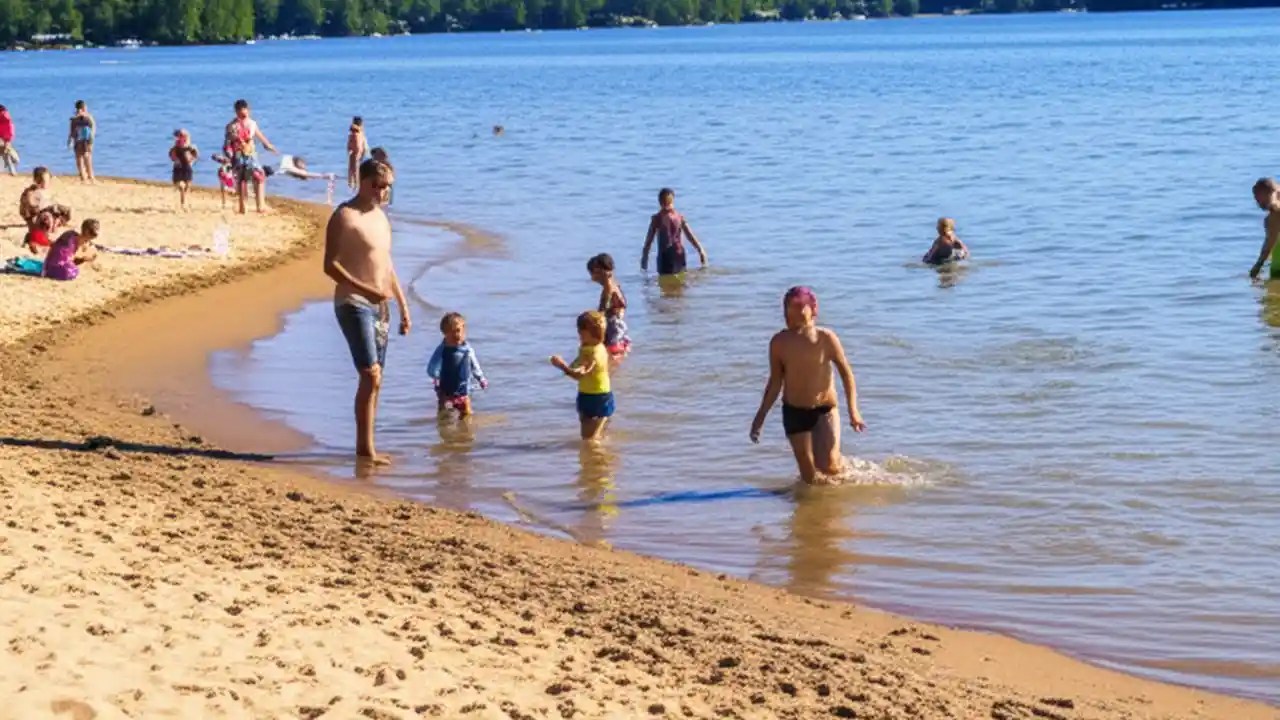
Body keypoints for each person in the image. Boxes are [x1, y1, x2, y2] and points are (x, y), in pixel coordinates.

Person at [324, 160, 410, 464]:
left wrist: (402, 305)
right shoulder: (344, 216)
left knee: (377, 380)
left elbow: (387, 266)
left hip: (380, 306)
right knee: (369, 374)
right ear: (362, 181)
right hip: (352, 303)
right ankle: (365, 450)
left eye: (386, 187)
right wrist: (365, 290)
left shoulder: (381, 219)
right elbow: (330, 266)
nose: (381, 192)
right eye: (376, 185)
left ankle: (367, 446)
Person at [750, 287, 867, 485]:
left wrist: (854, 412)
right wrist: (760, 417)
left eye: (798, 306)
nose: (792, 312)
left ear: (813, 309)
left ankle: (843, 481)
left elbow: (846, 374)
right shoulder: (779, 342)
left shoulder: (826, 338)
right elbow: (775, 381)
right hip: (794, 411)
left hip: (825, 409)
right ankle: (814, 512)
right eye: (788, 307)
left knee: (830, 466)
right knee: (809, 476)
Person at [550, 311, 615, 442]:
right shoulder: (589, 347)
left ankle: (596, 454)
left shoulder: (594, 354)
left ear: (589, 332)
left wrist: (562, 366)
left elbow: (581, 374)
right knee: (587, 432)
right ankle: (600, 448)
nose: (578, 334)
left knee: (589, 438)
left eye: (580, 331)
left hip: (598, 396)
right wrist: (570, 367)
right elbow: (578, 364)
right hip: (586, 393)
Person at [428, 312, 488, 417]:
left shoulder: (467, 350)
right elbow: (433, 365)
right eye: (451, 332)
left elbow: (474, 365)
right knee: (444, 414)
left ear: (464, 330)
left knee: (467, 414)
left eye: (458, 331)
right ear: (445, 334)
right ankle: (444, 430)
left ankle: (465, 431)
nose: (457, 335)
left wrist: (481, 378)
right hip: (445, 391)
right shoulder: (442, 350)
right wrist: (436, 377)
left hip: (463, 390)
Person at [224, 99, 278, 214]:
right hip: (239, 155)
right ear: (236, 112)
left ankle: (260, 206)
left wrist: (268, 145)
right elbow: (228, 142)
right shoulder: (232, 126)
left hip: (251, 155)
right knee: (243, 180)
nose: (243, 115)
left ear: (248, 111)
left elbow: (259, 135)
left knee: (259, 176)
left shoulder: (252, 123)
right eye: (241, 113)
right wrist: (229, 154)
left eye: (245, 112)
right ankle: (244, 207)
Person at [641, 187, 708, 277]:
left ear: (660, 202)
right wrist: (701, 250)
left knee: (666, 285)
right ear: (673, 201)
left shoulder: (657, 218)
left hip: (665, 257)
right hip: (679, 254)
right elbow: (690, 236)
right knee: (680, 282)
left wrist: (644, 260)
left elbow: (648, 242)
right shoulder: (679, 217)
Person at [587, 253, 631, 358]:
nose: (592, 276)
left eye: (594, 272)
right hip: (619, 326)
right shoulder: (615, 285)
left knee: (611, 355)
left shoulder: (609, 288)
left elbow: (603, 310)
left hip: (613, 327)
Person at [1250, 178, 1280, 280]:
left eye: (1258, 199)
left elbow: (1269, 243)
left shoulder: (1273, 217)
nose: (1258, 203)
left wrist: (1258, 266)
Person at [169, 129, 199, 211]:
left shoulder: (191, 147)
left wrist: (192, 161)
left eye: (184, 136)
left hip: (187, 166)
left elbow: (196, 155)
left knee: (187, 185)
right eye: (181, 136)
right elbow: (171, 156)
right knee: (181, 186)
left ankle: (183, 202)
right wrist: (175, 159)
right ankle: (183, 203)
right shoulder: (176, 147)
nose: (183, 137)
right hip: (178, 167)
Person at [67, 100, 96, 184]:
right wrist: (70, 140)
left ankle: (90, 177)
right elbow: (72, 130)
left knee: (86, 157)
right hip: (80, 139)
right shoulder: (75, 119)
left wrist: (92, 137)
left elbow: (93, 127)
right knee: (80, 158)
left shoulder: (87, 117)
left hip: (86, 139)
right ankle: (84, 177)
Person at [347, 117, 367, 190]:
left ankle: (353, 185)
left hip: (356, 151)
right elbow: (361, 144)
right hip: (357, 151)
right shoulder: (359, 133)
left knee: (353, 169)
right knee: (354, 168)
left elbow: (351, 144)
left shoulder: (355, 133)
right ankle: (353, 185)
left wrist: (349, 149)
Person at [0, 105, 16, 175]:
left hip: (5, 139)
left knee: (7, 155)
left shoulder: (6, 119)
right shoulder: (7, 120)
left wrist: (7, 140)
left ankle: (11, 170)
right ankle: (12, 171)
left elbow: (10, 130)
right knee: (6, 155)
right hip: (4, 139)